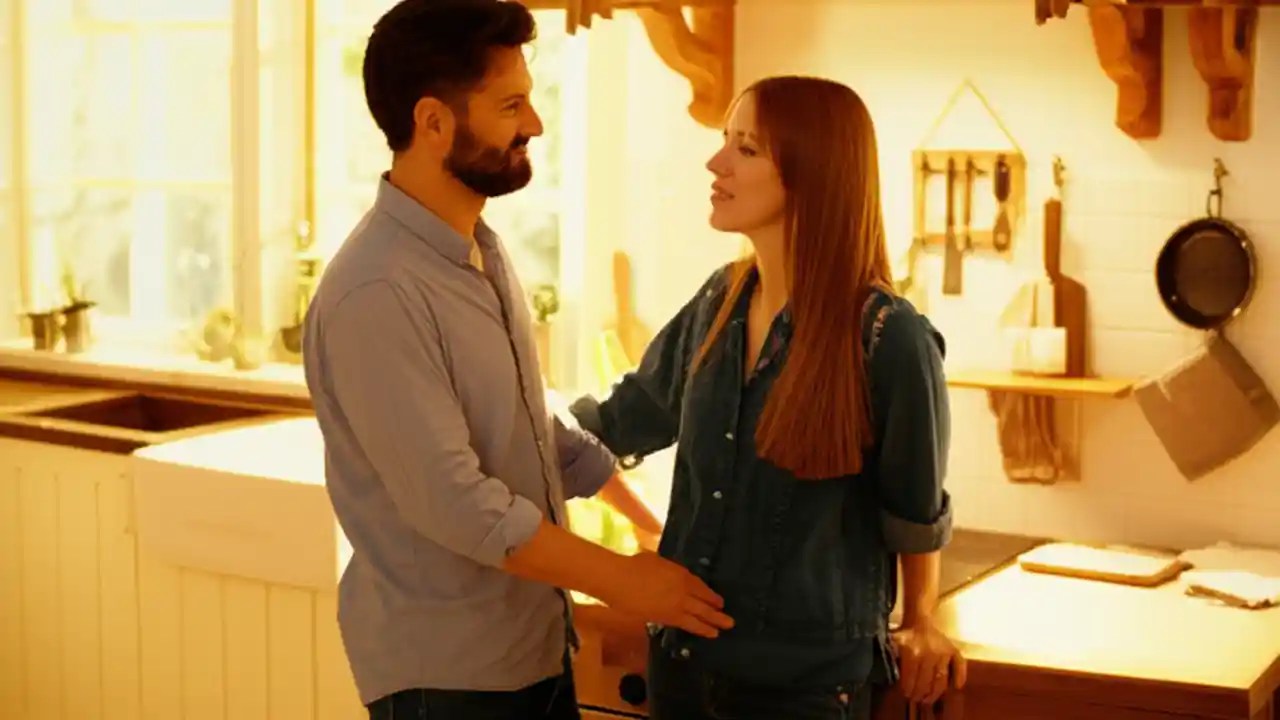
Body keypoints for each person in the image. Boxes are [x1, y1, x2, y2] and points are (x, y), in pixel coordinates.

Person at [301, 1, 733, 718]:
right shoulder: (375, 294)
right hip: (447, 679)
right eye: (512, 104)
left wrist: (644, 523)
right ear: (432, 121)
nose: (535, 123)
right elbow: (462, 507)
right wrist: (624, 581)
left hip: (530, 649)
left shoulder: (480, 249)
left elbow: (534, 432)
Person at [569, 75, 966, 720]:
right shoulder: (716, 303)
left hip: (803, 691)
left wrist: (921, 621)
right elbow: (611, 426)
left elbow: (915, 511)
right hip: (681, 670)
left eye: (745, 149)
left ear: (811, 172)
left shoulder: (889, 338)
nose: (716, 162)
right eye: (727, 141)